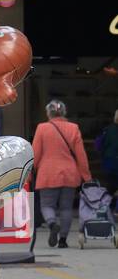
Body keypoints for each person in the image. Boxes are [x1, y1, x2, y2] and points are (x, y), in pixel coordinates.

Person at [32, 100, 90, 248]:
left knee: (47, 205)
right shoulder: (73, 128)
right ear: (64, 112)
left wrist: (29, 173)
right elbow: (81, 155)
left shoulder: (42, 128)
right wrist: (86, 176)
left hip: (48, 173)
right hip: (69, 174)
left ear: (48, 113)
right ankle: (63, 240)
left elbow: (35, 154)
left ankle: (52, 224)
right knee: (66, 208)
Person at [98, 111, 118, 196]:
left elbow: (101, 145)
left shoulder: (108, 129)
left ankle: (109, 204)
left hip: (111, 162)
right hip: (112, 161)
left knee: (111, 185)